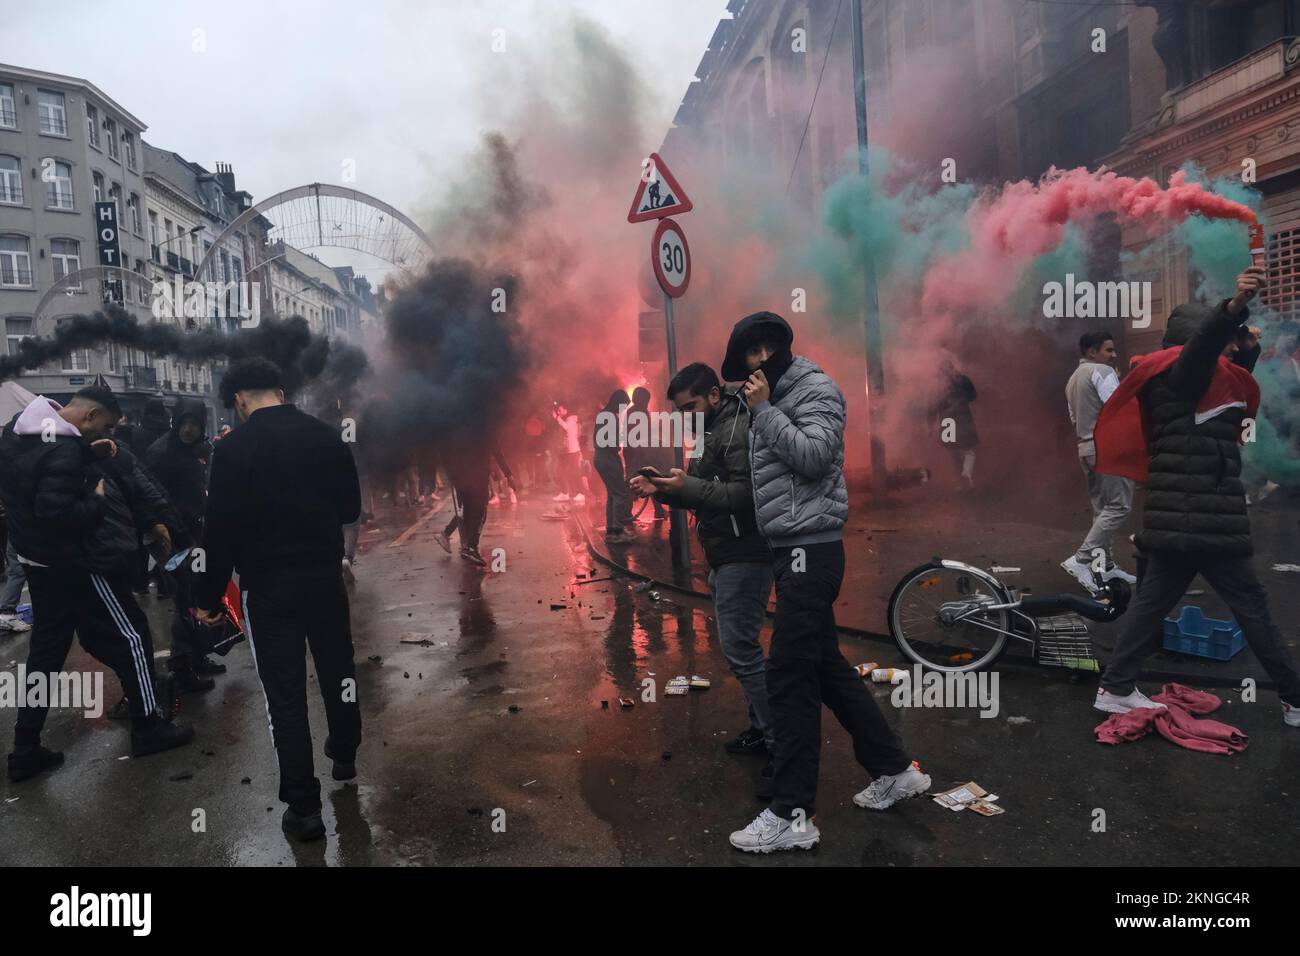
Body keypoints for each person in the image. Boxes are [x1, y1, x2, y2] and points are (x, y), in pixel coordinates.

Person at [720, 312, 930, 854]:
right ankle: (894, 768)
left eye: (762, 351)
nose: (755, 363)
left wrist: (765, 410)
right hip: (791, 552)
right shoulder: (765, 396)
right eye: (747, 356)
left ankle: (791, 814)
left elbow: (814, 458)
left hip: (811, 553)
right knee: (826, 667)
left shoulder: (814, 389)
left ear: (778, 348)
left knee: (788, 675)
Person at [1093, 265, 1300, 725]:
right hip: (1203, 517)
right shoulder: (1179, 373)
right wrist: (1233, 308)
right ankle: (1295, 699)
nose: (1228, 345)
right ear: (1197, 339)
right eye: (1221, 339)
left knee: (1150, 607)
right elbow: (1204, 360)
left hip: (1183, 517)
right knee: (1254, 609)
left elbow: (1218, 400)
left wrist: (1248, 352)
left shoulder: (1184, 381)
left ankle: (1116, 687)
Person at [195, 358, 363, 841]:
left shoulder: (233, 449)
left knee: (284, 695)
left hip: (268, 587)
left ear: (240, 398)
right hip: (323, 577)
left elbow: (218, 532)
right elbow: (350, 508)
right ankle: (345, 753)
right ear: (280, 390)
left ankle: (305, 809)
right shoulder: (326, 437)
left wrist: (207, 596)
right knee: (339, 670)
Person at [1, 387, 194, 782]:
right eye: (103, 426)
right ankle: (148, 726)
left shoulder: (18, 431)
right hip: (74, 564)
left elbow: (36, 475)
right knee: (134, 634)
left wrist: (89, 454)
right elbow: (57, 511)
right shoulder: (64, 451)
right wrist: (97, 500)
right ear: (89, 416)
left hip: (36, 560)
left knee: (46, 656)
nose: (102, 433)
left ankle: (24, 749)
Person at [630, 363, 776, 792]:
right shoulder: (714, 427)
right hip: (724, 555)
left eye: (690, 406)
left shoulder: (738, 426)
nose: (686, 416)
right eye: (680, 411)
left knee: (743, 653)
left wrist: (685, 488)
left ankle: (779, 743)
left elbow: (746, 495)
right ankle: (761, 729)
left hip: (745, 554)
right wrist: (668, 488)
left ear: (714, 394)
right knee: (740, 651)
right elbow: (699, 489)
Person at [145, 396, 223, 692]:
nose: (188, 429)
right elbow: (150, 496)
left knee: (197, 595)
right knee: (184, 600)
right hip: (174, 538)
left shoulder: (197, 449)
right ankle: (181, 666)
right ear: (175, 422)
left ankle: (198, 656)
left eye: (194, 424)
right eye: (184, 423)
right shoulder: (161, 452)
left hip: (195, 532)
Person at [1061, 331, 1137, 593]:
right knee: (1119, 507)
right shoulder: (1102, 372)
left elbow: (1074, 419)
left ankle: (1104, 566)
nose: (1114, 355)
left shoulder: (1072, 380)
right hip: (1107, 448)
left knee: (1102, 509)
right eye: (1109, 350)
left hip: (1086, 448)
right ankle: (1081, 559)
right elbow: (1118, 407)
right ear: (1092, 352)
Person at [434, 436, 493, 568]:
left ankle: (459, 541)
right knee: (477, 510)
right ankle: (469, 547)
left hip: (466, 477)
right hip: (468, 478)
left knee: (469, 509)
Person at [622, 386, 670, 524]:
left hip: (633, 452)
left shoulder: (632, 411)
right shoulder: (639, 412)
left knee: (648, 479)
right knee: (636, 481)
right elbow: (643, 435)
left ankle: (658, 510)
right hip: (638, 453)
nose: (647, 402)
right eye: (646, 399)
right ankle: (625, 515)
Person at [929, 358, 978, 489]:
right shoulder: (961, 380)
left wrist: (931, 421)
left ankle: (963, 481)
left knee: (956, 452)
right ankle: (966, 479)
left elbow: (933, 406)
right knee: (964, 451)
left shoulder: (941, 384)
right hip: (959, 419)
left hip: (949, 420)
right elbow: (972, 396)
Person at [593, 390, 633, 543]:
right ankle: (617, 531)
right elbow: (613, 443)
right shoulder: (610, 417)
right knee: (620, 494)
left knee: (612, 494)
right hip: (608, 458)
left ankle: (611, 531)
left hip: (600, 457)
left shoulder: (603, 414)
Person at [551, 403, 584, 503]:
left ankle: (580, 493)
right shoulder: (563, 420)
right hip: (565, 451)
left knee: (575, 472)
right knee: (560, 471)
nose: (558, 412)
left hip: (573, 450)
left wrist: (557, 417)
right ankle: (564, 493)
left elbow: (566, 427)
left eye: (560, 410)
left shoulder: (572, 418)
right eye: (557, 411)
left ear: (566, 410)